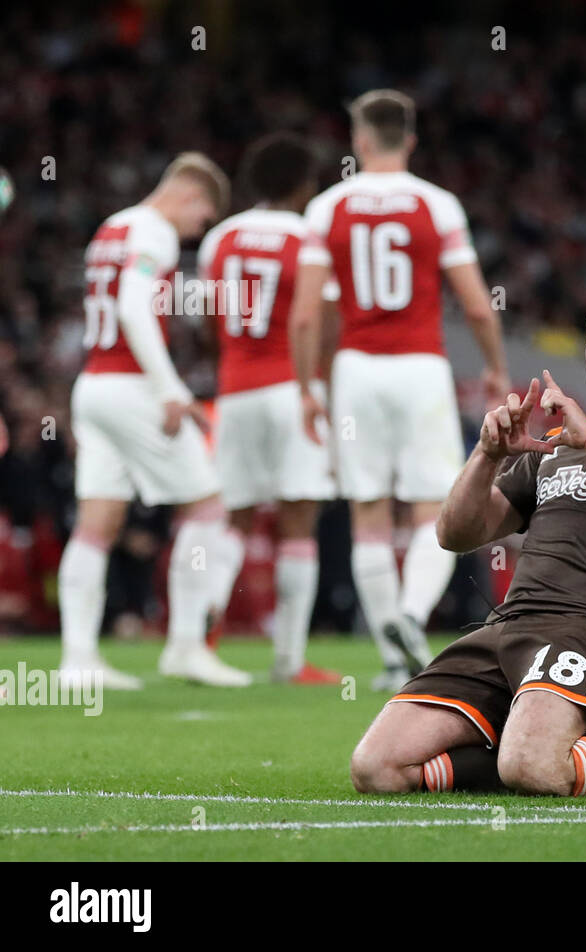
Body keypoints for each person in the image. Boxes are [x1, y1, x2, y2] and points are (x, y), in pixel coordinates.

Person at [350, 275, 586, 797]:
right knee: (376, 769)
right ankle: (527, 740)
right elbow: (456, 534)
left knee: (532, 767)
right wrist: (487, 456)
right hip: (505, 627)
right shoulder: (557, 444)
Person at [289, 89, 510, 692]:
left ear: (358, 142)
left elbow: (306, 316)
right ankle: (411, 618)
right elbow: (476, 305)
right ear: (410, 140)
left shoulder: (325, 207)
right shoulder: (436, 204)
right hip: (419, 369)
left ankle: (391, 651)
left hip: (356, 370)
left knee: (367, 512)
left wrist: (309, 386)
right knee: (430, 508)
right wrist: (493, 367)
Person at [59, 153, 252, 689]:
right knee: (210, 507)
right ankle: (187, 646)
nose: (199, 229)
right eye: (203, 217)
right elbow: (133, 307)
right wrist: (169, 389)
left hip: (92, 385)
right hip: (130, 386)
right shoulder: (154, 230)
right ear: (190, 196)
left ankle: (77, 660)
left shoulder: (112, 226)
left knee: (96, 524)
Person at [198, 132, 340, 684]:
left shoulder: (219, 238)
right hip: (291, 387)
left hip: (234, 389)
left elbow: (211, 320)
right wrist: (314, 385)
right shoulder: (309, 237)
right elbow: (319, 322)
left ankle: (201, 634)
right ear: (304, 185)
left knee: (233, 520)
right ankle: (288, 659)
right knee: (297, 522)